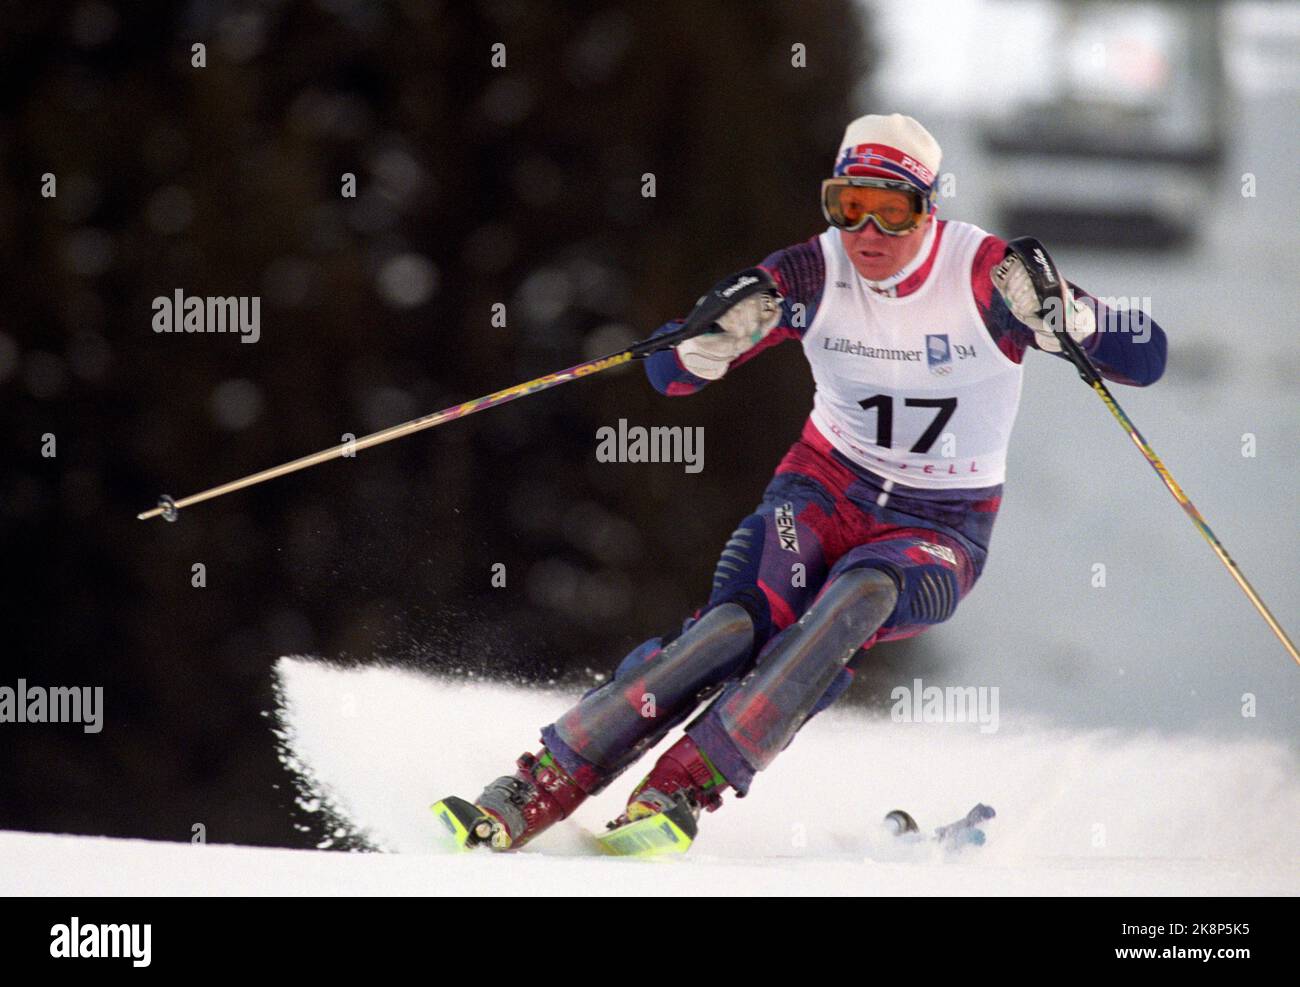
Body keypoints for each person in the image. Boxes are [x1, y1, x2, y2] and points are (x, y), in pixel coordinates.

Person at [451, 113, 1167, 851]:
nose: (868, 231)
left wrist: (1071, 318)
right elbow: (667, 376)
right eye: (847, 204)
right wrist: (707, 344)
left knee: (859, 597)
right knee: (734, 627)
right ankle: (542, 782)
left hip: (941, 525)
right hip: (821, 493)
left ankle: (684, 785)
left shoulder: (985, 274)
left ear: (930, 207)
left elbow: (1149, 356)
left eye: (894, 208)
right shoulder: (812, 272)